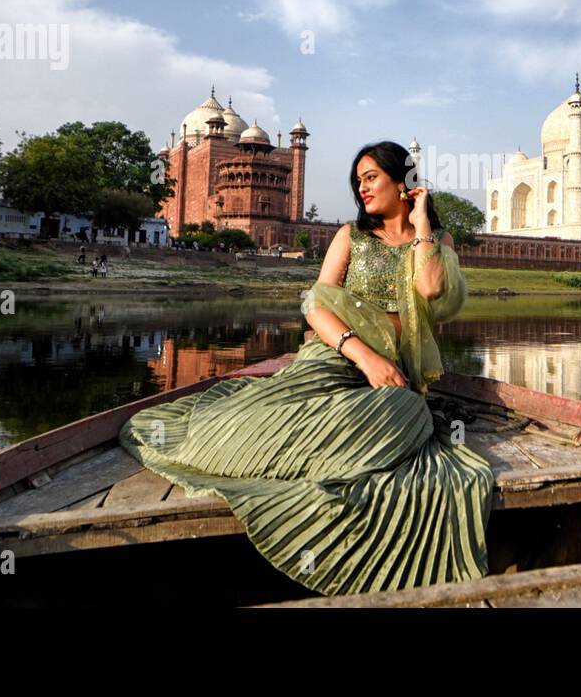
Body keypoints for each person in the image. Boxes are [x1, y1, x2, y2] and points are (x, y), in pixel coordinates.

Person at [120, 140, 491, 596]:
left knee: (404, 416)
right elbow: (315, 305)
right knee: (272, 415)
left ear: (404, 181)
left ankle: (316, 467)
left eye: (371, 177)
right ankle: (267, 456)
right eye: (358, 181)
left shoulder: (434, 240)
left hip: (394, 375)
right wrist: (364, 355)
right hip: (338, 356)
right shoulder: (350, 237)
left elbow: (431, 290)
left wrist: (420, 224)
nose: (362, 188)